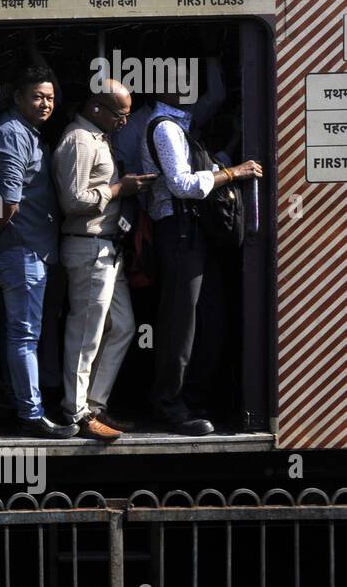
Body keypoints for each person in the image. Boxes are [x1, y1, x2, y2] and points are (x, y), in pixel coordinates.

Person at [141, 87, 262, 435]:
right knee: (181, 324)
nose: (191, 86)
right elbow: (182, 185)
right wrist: (235, 173)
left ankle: (192, 398)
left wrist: (235, 143)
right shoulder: (164, 126)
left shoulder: (183, 125)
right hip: (178, 233)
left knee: (209, 317)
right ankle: (168, 403)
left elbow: (207, 169)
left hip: (193, 234)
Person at [50, 80, 157, 442]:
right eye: (120, 115)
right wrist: (118, 189)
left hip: (108, 249)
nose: (125, 122)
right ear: (96, 107)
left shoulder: (97, 137)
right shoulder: (79, 140)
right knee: (85, 336)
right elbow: (74, 200)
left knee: (123, 326)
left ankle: (94, 404)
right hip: (89, 247)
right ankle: (75, 412)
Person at [0, 66, 73, 438]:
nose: (45, 104)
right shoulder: (10, 135)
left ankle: (22, 400)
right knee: (24, 336)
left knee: (24, 333)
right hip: (21, 251)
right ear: (17, 97)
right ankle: (31, 414)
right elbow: (8, 203)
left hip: (34, 250)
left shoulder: (29, 134)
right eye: (37, 96)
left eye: (50, 98)